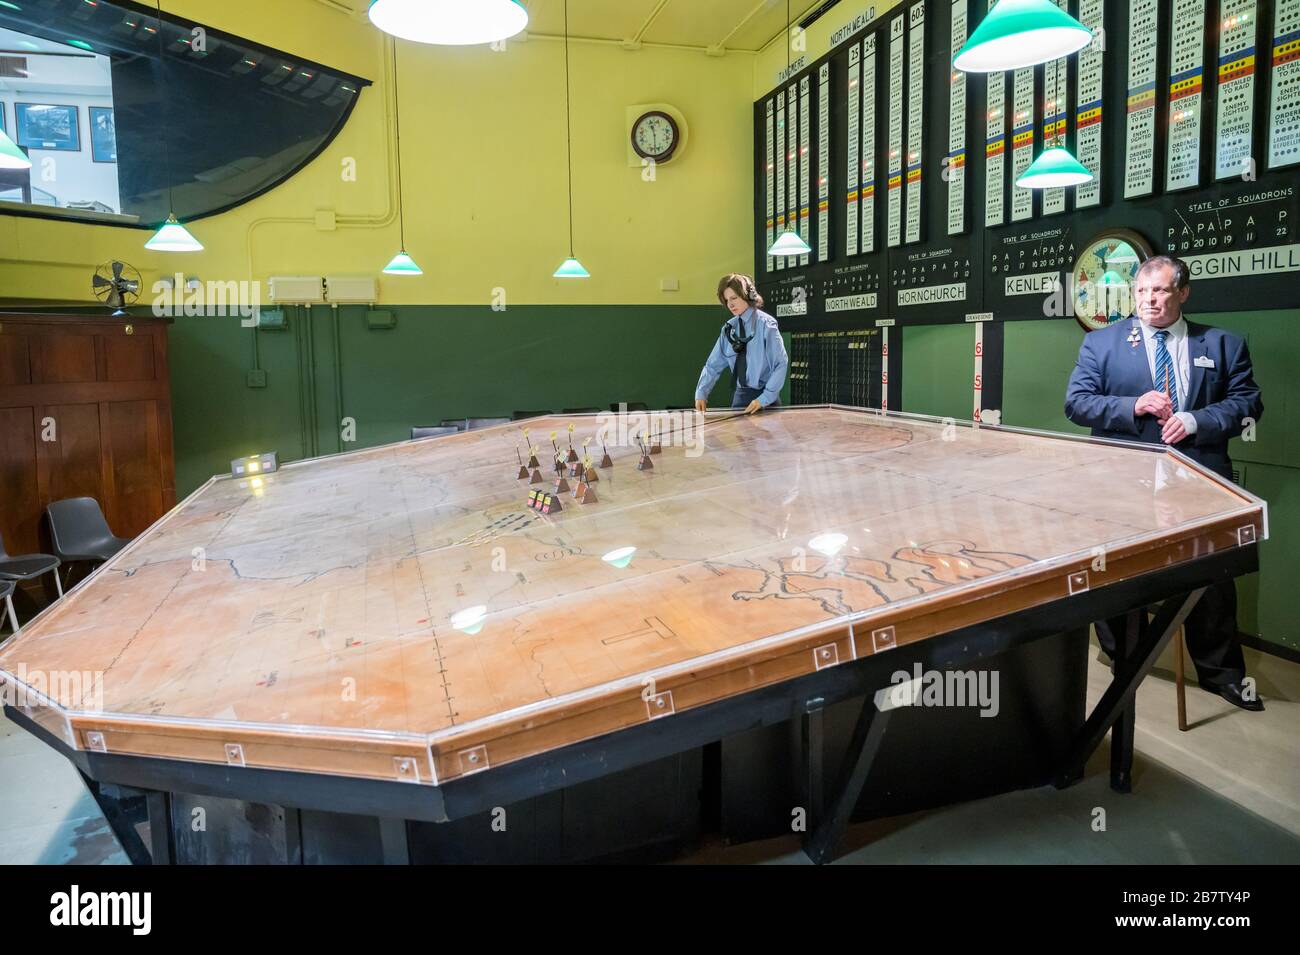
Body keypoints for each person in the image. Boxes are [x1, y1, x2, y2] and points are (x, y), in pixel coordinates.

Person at [1064, 254, 1265, 711]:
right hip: (1122, 482)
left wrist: (1197, 420)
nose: (1148, 300)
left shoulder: (1222, 344)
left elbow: (1248, 405)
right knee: (1117, 572)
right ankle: (1122, 656)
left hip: (1199, 481)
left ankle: (1221, 674)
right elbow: (1076, 404)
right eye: (1141, 291)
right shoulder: (1103, 344)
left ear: (1182, 293)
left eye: (1159, 291)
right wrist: (1132, 406)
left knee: (1211, 580)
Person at [694, 273, 788, 415]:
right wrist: (701, 392)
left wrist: (764, 398)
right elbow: (713, 365)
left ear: (748, 295)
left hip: (766, 399)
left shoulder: (766, 325)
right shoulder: (728, 329)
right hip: (740, 397)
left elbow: (780, 363)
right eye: (726, 300)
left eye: (734, 298)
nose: (730, 304)